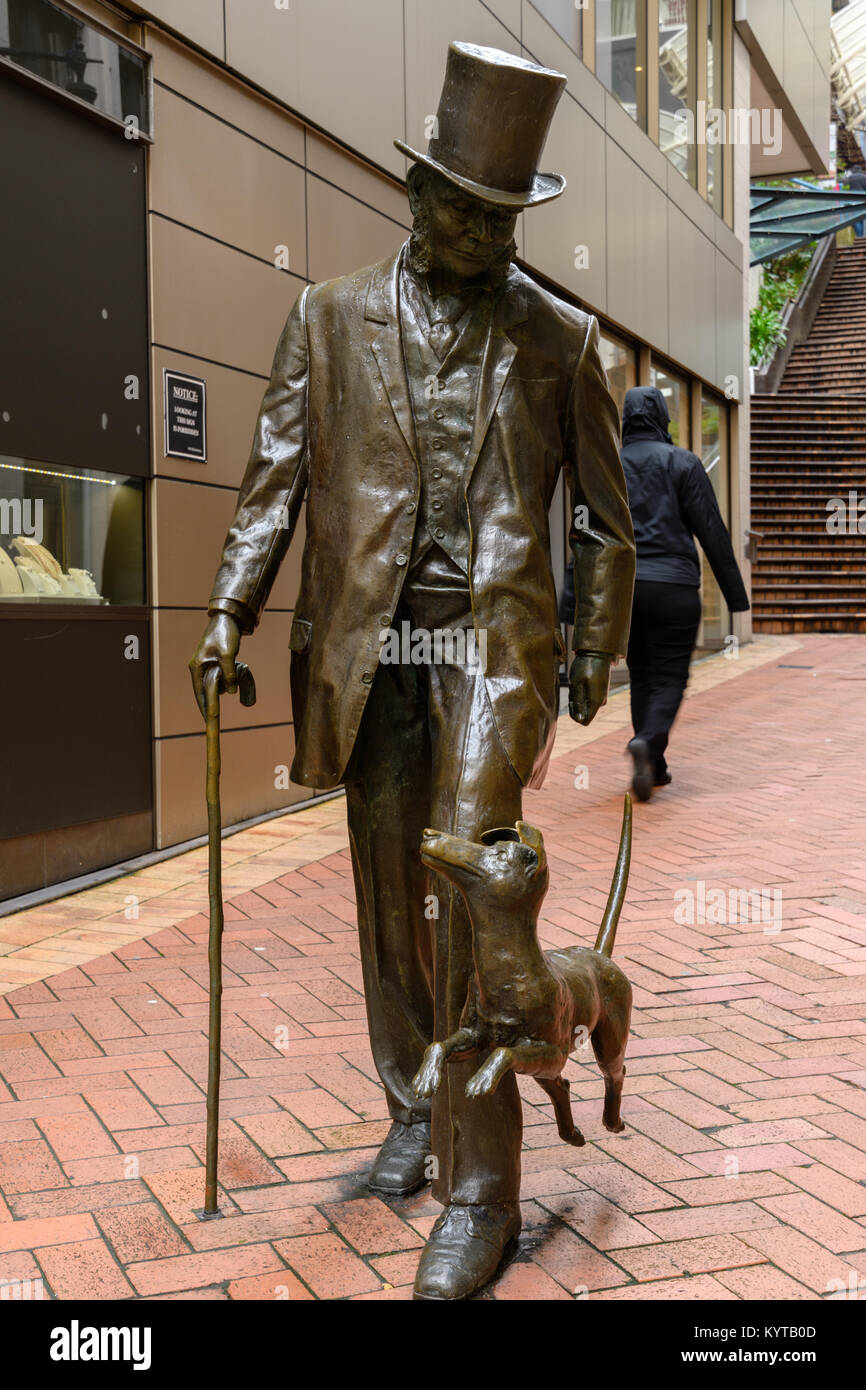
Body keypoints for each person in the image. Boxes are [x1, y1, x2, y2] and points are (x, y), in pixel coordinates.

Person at [189, 43, 635, 1301]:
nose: (485, 238)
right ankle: (411, 1103)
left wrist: (592, 645)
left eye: (503, 221)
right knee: (389, 893)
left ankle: (481, 1192)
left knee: (470, 876)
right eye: (465, 213)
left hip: (492, 650)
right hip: (366, 647)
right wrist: (226, 614)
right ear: (417, 195)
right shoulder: (325, 316)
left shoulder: (560, 338)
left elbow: (603, 517)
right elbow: (271, 485)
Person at [620, 386, 749, 802]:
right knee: (670, 676)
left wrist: (574, 602)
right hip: (674, 587)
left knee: (641, 673)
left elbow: (588, 534)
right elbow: (712, 531)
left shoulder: (610, 465)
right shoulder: (684, 463)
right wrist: (735, 597)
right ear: (661, 416)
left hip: (626, 590)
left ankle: (653, 763)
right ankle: (649, 741)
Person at [846, 165, 866, 237]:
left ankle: (859, 235)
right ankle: (863, 235)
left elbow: (845, 186)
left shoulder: (851, 177)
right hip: (863, 201)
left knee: (855, 219)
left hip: (853, 201)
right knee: (863, 218)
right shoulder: (864, 177)